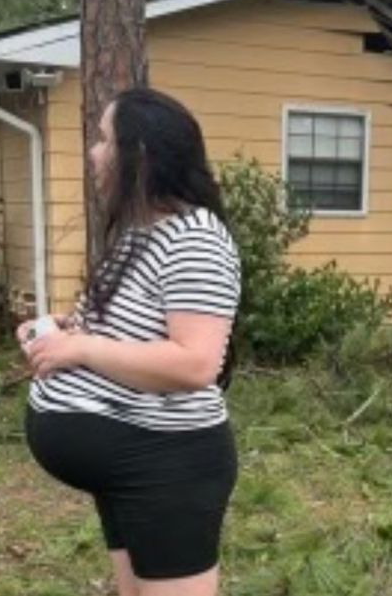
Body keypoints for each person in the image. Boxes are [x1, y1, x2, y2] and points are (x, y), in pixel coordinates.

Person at [18, 88, 241, 596]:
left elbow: (196, 363)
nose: (93, 153)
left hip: (169, 463)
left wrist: (81, 349)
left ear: (138, 153)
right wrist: (59, 333)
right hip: (131, 461)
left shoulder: (196, 239)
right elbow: (128, 334)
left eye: (104, 140)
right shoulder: (143, 232)